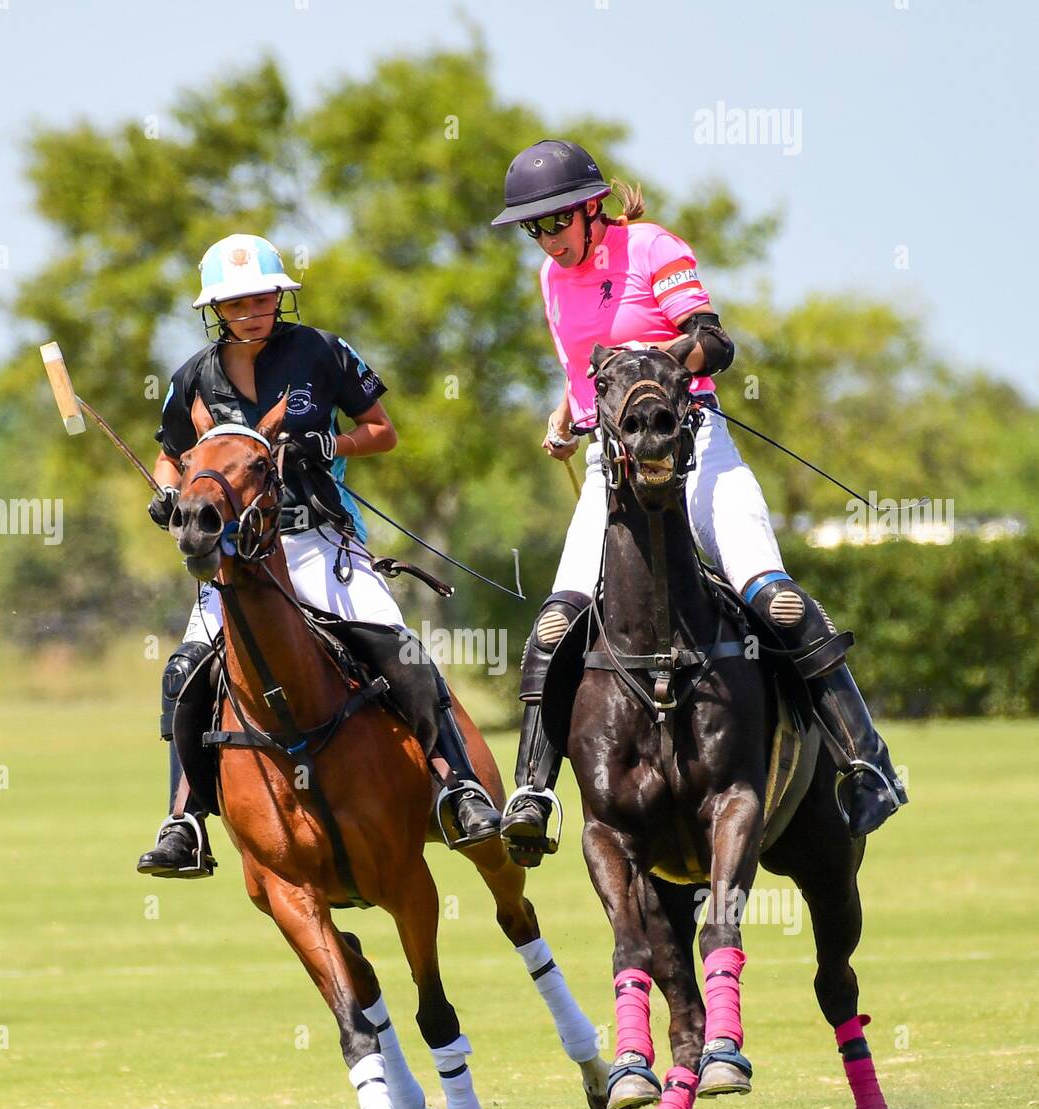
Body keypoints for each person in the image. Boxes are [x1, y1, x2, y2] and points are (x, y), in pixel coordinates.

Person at [490, 140, 907, 866]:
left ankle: (866, 763)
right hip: (611, 463)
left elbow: (712, 345)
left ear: (592, 209)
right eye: (534, 227)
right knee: (557, 620)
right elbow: (589, 374)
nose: (548, 238)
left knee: (774, 600)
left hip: (696, 444)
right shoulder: (549, 281)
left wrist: (653, 370)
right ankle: (532, 793)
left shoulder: (652, 247)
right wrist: (567, 415)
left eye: (556, 221)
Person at [136, 233, 500, 877]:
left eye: (263, 297)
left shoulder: (320, 352)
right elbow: (171, 453)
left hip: (318, 539)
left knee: (398, 647)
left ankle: (460, 785)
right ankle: (185, 821)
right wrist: (170, 496)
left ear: (281, 297)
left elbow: (382, 431)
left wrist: (329, 447)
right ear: (215, 309)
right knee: (186, 670)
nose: (252, 310)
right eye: (236, 301)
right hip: (235, 557)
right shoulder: (193, 375)